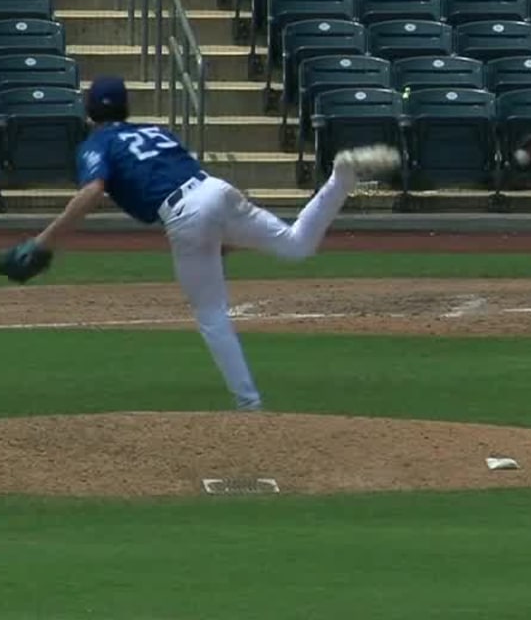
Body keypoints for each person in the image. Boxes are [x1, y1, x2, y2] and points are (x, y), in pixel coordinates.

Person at [26, 75, 402, 411]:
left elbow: (92, 191)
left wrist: (44, 242)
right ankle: (341, 176)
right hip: (216, 189)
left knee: (211, 315)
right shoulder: (156, 131)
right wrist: (224, 235)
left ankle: (249, 404)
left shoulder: (97, 143)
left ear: (89, 111)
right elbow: (185, 179)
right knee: (296, 244)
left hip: (186, 213)